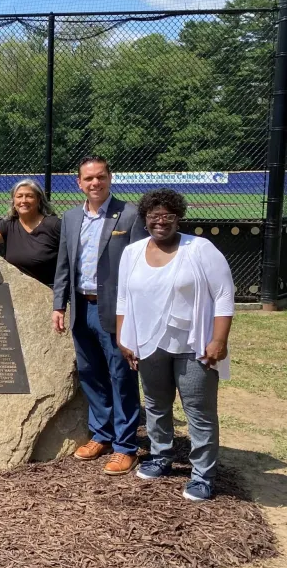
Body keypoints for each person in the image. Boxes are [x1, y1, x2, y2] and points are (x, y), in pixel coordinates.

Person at [117, 189, 234, 502]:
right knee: (155, 404)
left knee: (199, 410)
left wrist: (219, 339)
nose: (160, 221)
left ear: (178, 216)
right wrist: (123, 336)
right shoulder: (133, 252)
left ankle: (202, 476)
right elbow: (124, 297)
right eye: (154, 216)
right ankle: (160, 456)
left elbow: (224, 294)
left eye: (168, 215)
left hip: (193, 345)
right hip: (149, 344)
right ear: (145, 219)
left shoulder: (200, 248)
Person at [52, 156, 147, 476]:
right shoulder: (69, 218)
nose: (95, 183)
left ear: (110, 178)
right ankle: (102, 436)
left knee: (121, 377)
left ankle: (125, 447)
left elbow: (139, 268)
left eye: (100, 177)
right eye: (88, 179)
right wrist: (58, 304)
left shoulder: (130, 214)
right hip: (81, 308)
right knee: (91, 374)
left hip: (115, 311)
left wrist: (133, 314)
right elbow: (64, 264)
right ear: (79, 183)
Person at [0, 179, 61, 286]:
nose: (24, 200)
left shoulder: (53, 224)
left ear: (39, 200)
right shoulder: (9, 224)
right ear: (13, 201)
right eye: (19, 196)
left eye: (29, 196)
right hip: (18, 289)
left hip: (49, 291)